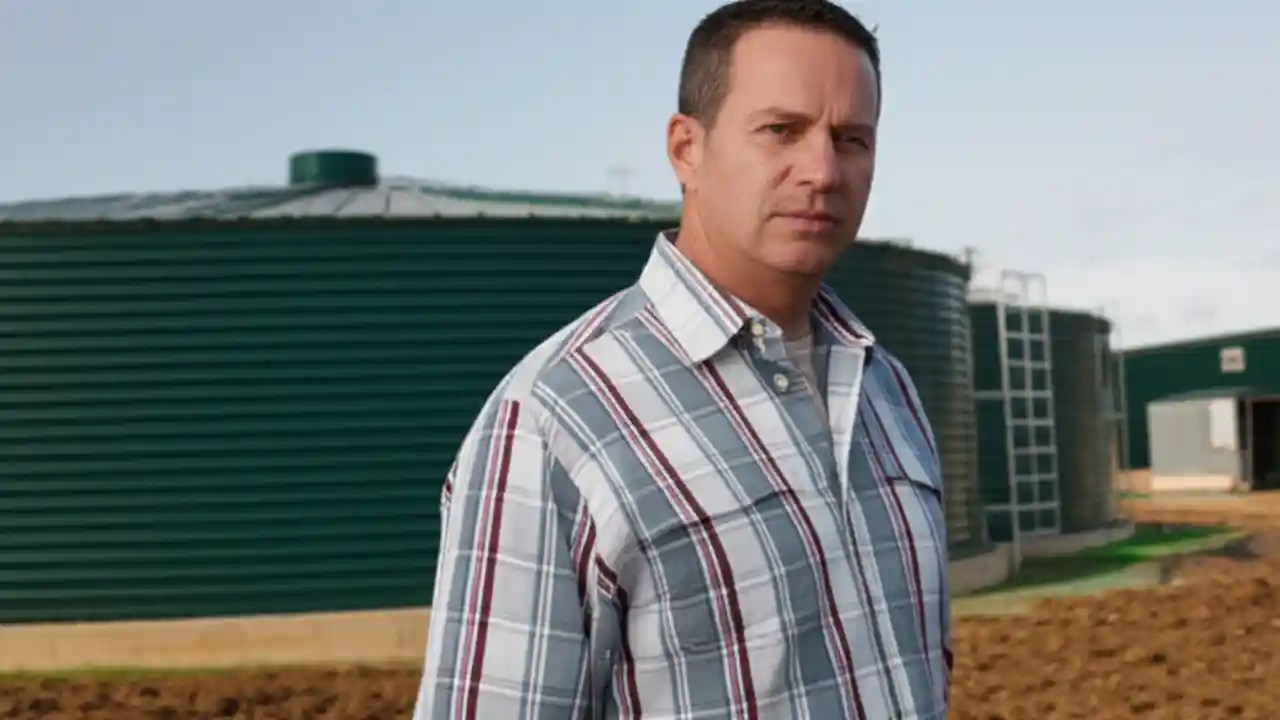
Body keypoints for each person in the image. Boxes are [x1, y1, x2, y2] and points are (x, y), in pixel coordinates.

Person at [413, 0, 951, 717]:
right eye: (780, 131)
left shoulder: (888, 390)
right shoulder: (554, 419)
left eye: (851, 138)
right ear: (686, 149)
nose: (822, 170)